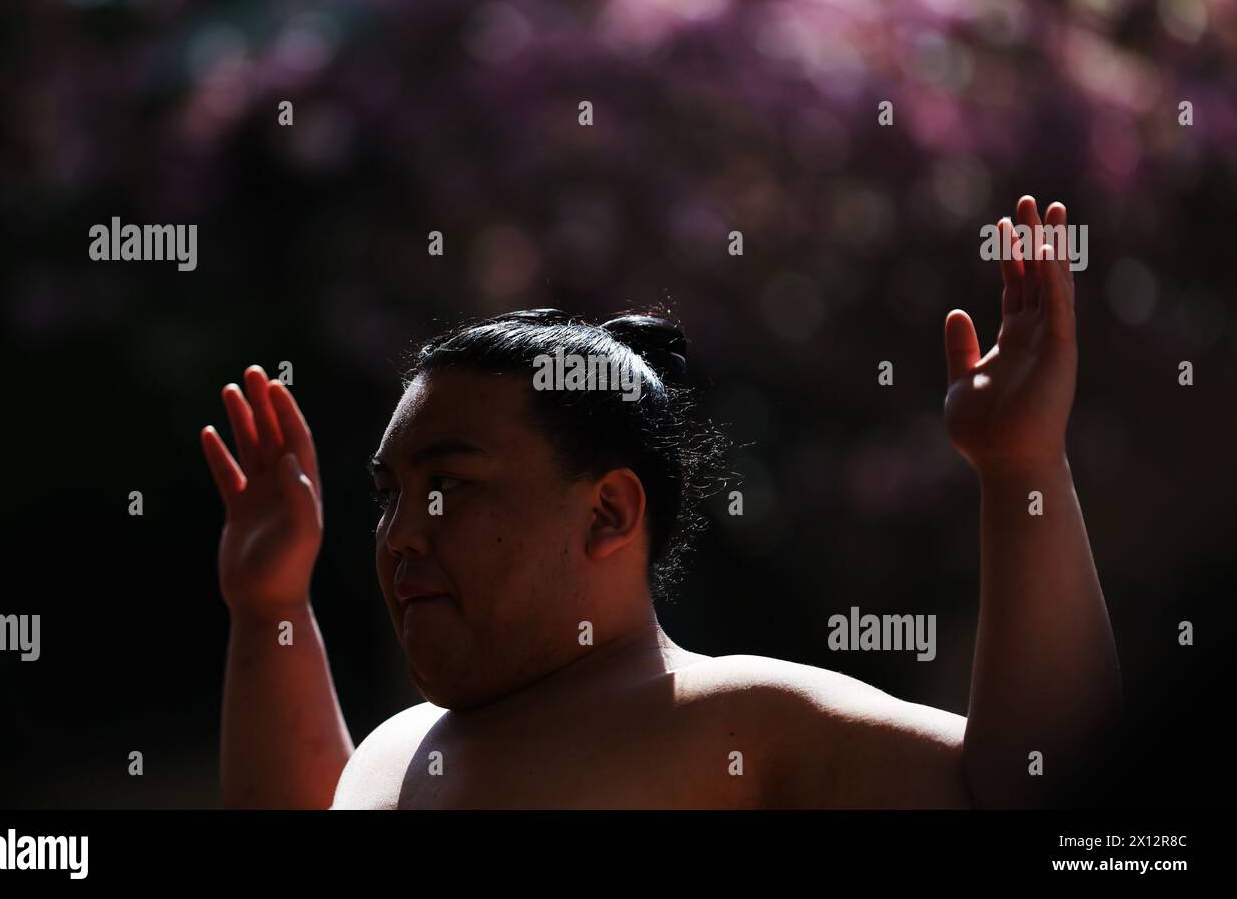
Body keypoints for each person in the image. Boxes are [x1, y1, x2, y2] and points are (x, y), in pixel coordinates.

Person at [201, 195, 1122, 809]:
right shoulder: (392, 753)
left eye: (448, 488)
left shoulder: (742, 719)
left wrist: (1023, 468)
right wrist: (269, 609)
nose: (399, 537)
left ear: (607, 513)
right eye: (388, 499)